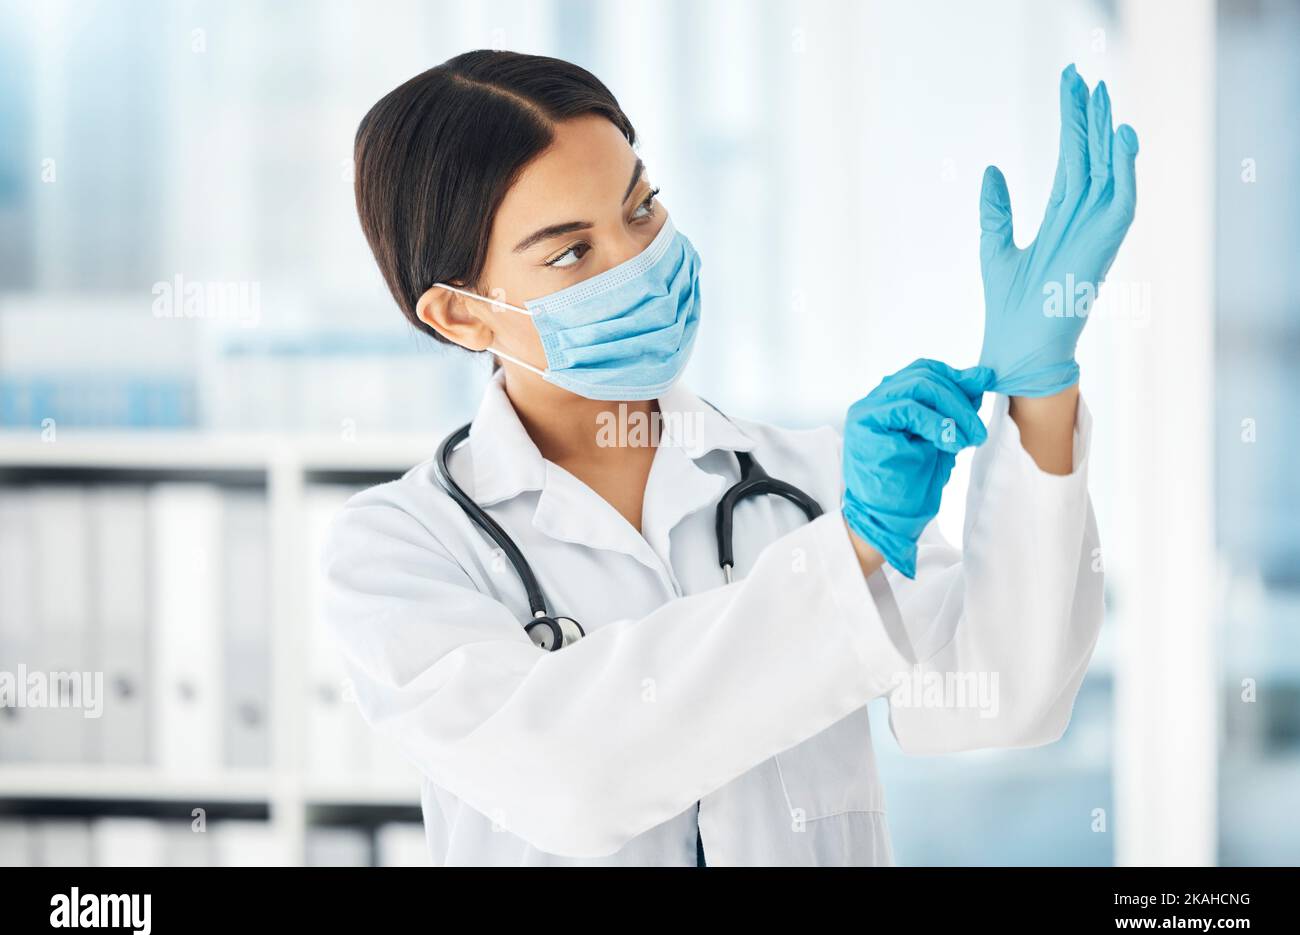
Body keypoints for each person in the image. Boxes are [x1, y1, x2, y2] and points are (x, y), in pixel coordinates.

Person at [322, 51, 1137, 866]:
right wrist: (851, 549)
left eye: (641, 208)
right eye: (572, 253)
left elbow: (998, 696)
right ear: (461, 316)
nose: (636, 259)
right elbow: (569, 779)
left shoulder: (808, 480)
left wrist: (1040, 392)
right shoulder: (400, 549)